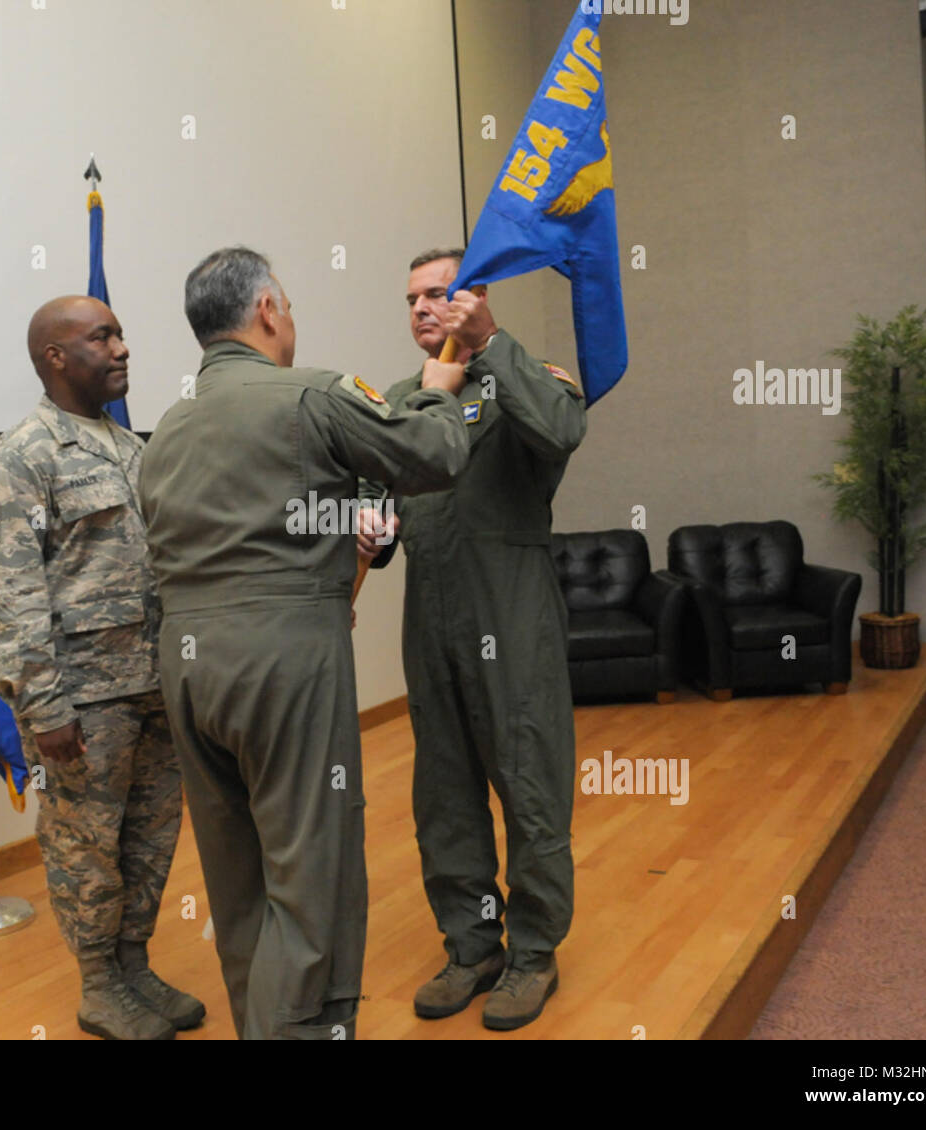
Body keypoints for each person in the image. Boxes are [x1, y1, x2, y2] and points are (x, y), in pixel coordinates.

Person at [138, 247, 470, 1040]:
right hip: (283, 658)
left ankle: (263, 1026)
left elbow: (243, 527)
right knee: (310, 866)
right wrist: (435, 396)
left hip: (188, 665)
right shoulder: (312, 395)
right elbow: (435, 457)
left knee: (236, 873)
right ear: (266, 311)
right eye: (285, 304)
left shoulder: (165, 432)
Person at [357, 248, 586, 1030]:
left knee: (529, 785)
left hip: (511, 609)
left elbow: (560, 434)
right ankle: (471, 946)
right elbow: (377, 521)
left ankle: (532, 954)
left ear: (476, 299)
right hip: (431, 618)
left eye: (440, 294)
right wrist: (361, 525)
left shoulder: (531, 377)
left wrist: (489, 348)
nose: (423, 308)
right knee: (445, 797)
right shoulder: (398, 399)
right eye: (412, 297)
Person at [0, 296, 204, 1041]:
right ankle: (99, 985)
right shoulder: (21, 459)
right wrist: (44, 708)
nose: (121, 347)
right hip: (82, 701)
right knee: (85, 847)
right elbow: (8, 595)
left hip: (155, 685)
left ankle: (133, 965)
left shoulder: (129, 448)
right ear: (55, 358)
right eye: (101, 337)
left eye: (120, 333)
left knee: (149, 837)